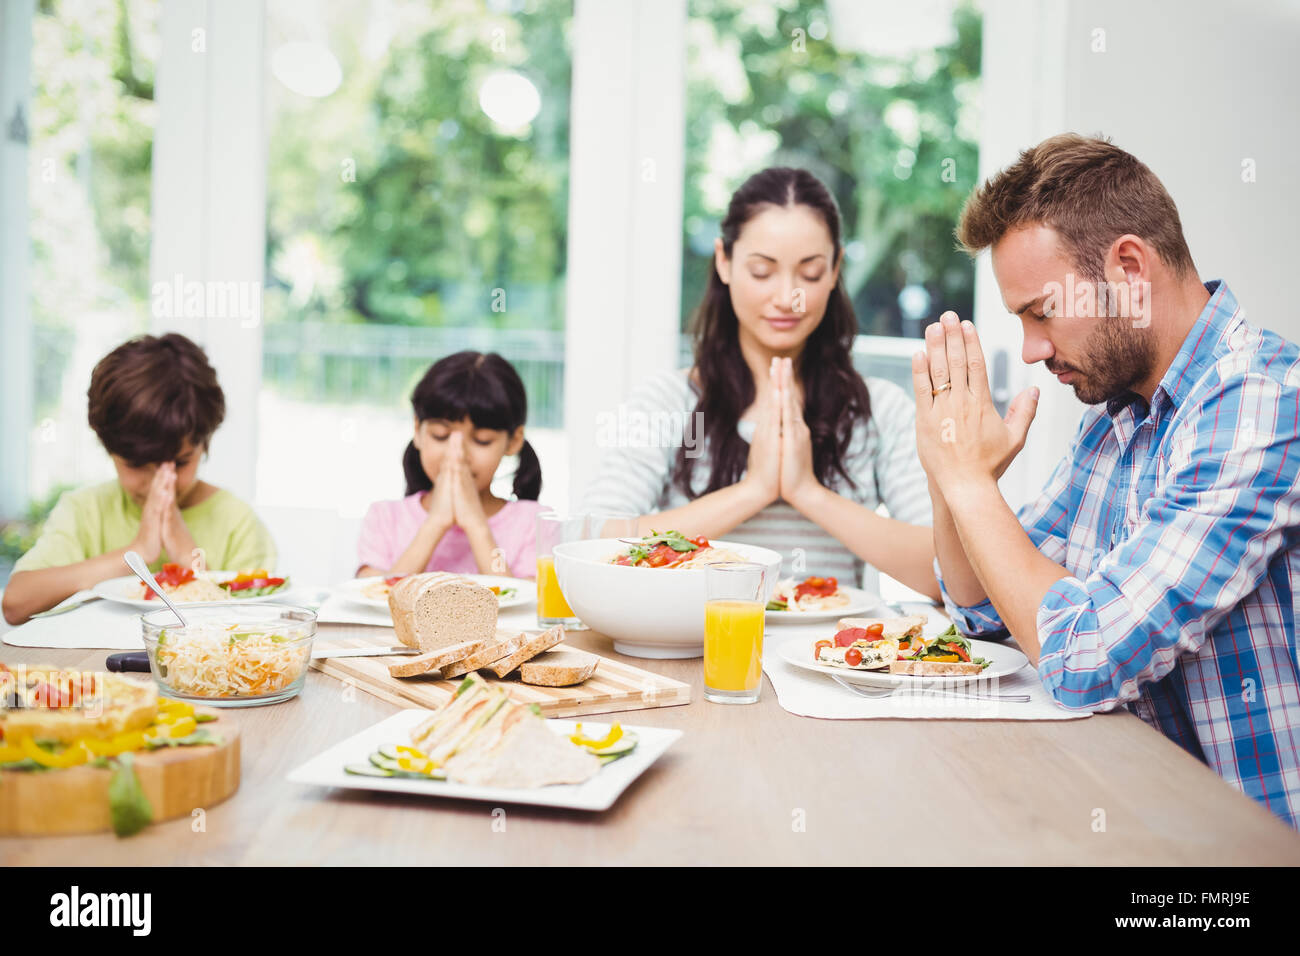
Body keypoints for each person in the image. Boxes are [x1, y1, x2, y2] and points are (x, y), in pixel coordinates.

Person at [912, 133, 1300, 828]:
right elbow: (987, 615)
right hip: (1132, 814)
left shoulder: (1262, 402)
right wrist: (950, 473)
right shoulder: (1121, 411)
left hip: (1243, 851)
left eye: (1042, 312)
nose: (1032, 349)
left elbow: (1083, 655)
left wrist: (972, 484)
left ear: (1127, 267)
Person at [584, 167, 939, 599]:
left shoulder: (879, 409)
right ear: (724, 261)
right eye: (761, 271)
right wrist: (752, 490)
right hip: (694, 648)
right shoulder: (667, 402)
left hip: (826, 655)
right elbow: (595, 545)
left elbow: (947, 576)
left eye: (809, 274)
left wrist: (807, 491)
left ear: (835, 270)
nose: (786, 296)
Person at [2, 333, 277, 625]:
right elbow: (16, 604)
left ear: (205, 442)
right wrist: (137, 552)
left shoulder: (237, 523)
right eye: (135, 465)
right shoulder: (85, 511)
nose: (158, 485)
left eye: (179, 463)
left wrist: (187, 553)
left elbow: (255, 628)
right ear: (109, 449)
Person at [356, 351, 544, 579]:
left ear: (514, 441)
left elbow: (528, 607)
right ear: (417, 430)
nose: (457, 455)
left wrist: (477, 526)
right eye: (440, 435)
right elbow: (375, 601)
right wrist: (435, 524)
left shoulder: (536, 523)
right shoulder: (384, 517)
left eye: (481, 440)